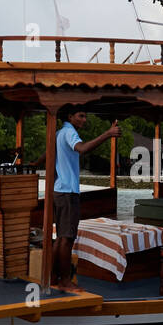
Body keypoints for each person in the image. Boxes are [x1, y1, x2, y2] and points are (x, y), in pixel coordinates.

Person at [52, 107, 120, 292]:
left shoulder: (59, 133)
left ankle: (53, 277)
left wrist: (34, 164)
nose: (84, 119)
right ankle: (65, 281)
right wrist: (108, 134)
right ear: (70, 117)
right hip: (67, 191)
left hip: (59, 190)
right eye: (81, 116)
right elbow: (82, 149)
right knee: (67, 238)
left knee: (60, 238)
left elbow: (47, 155)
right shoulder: (69, 132)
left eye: (85, 116)